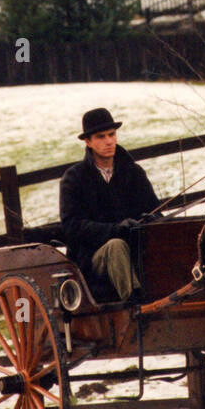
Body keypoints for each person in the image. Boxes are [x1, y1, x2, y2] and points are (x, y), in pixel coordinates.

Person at [59, 107, 159, 301]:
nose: (109, 141)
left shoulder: (134, 172)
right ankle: (136, 305)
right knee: (116, 246)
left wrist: (147, 220)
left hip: (137, 250)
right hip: (91, 259)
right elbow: (71, 226)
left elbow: (155, 211)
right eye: (101, 136)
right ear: (88, 142)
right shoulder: (74, 178)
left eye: (112, 134)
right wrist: (115, 230)